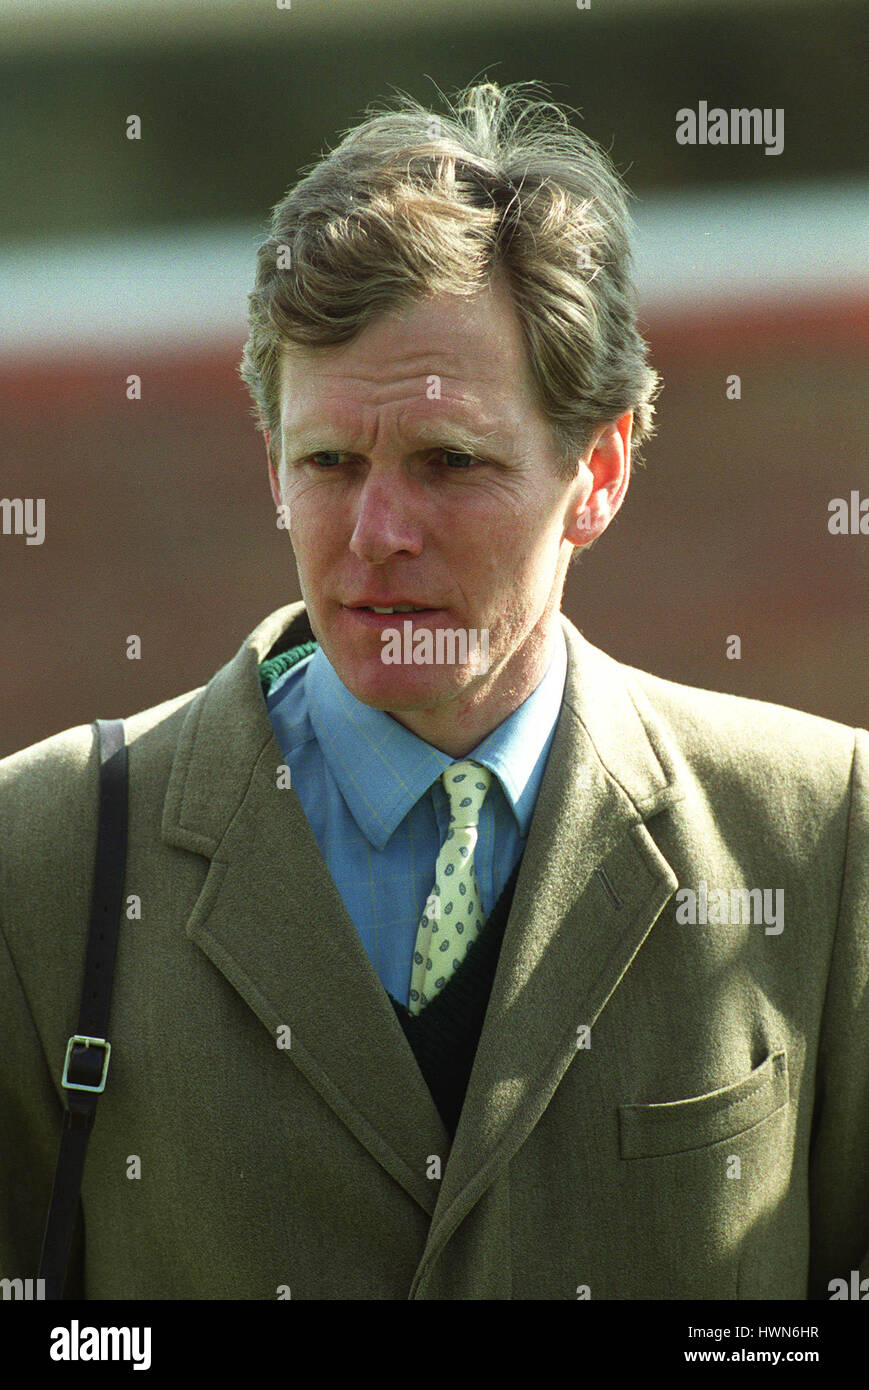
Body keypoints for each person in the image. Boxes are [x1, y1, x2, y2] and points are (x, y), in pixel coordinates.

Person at [1, 81, 866, 1301]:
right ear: (272, 466)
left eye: (449, 462)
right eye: (328, 462)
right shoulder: (47, 855)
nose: (376, 530)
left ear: (599, 469)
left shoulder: (820, 833)